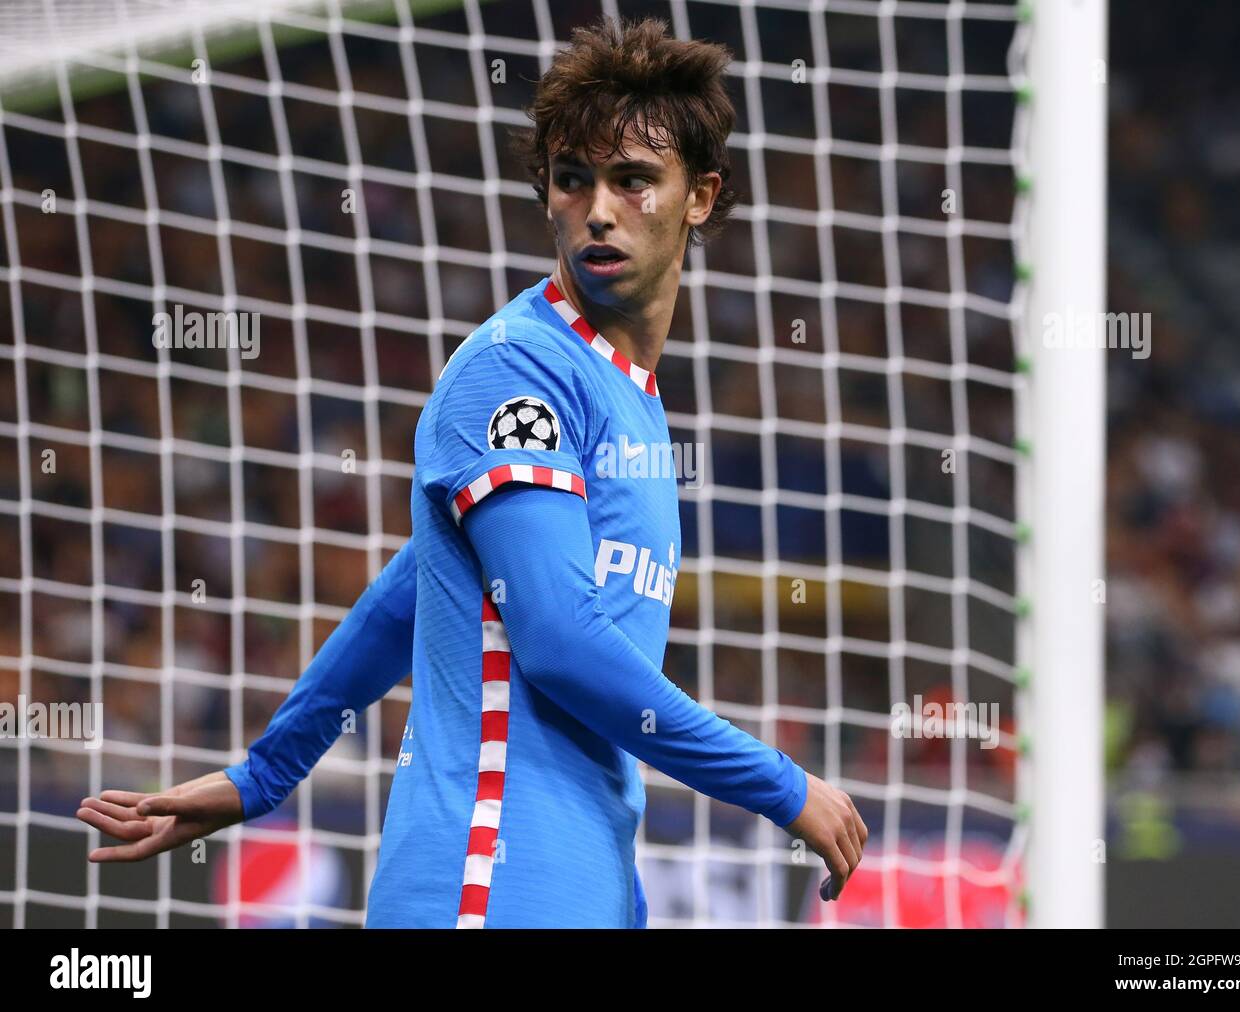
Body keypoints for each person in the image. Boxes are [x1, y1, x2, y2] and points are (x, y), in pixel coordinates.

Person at [76, 15, 867, 928]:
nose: (600, 208)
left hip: (580, 885)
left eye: (633, 179)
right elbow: (562, 644)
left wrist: (265, 772)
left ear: (700, 196)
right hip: (483, 883)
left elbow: (405, 596)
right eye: (574, 180)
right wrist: (779, 784)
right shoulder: (516, 369)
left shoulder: (627, 396)